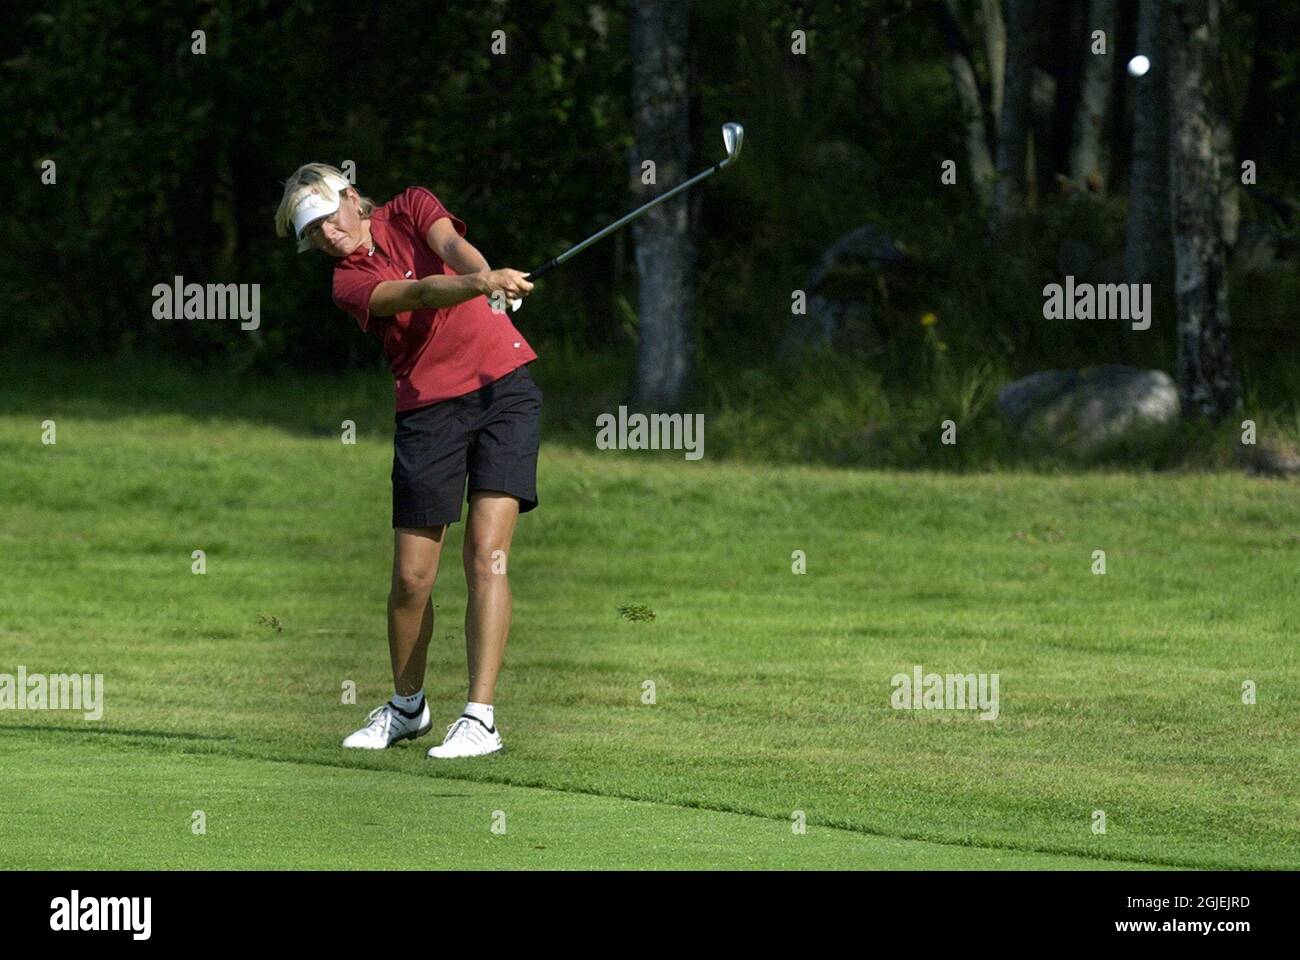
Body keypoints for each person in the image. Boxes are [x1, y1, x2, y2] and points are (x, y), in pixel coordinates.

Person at [274, 164, 539, 758]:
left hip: (504, 390)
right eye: (311, 233)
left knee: (486, 555)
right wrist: (483, 284)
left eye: (325, 220)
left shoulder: (412, 205)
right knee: (412, 579)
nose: (326, 236)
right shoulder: (347, 282)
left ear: (349, 197)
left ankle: (480, 717)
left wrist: (484, 275)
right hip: (427, 411)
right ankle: (407, 707)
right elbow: (417, 293)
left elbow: (448, 245)